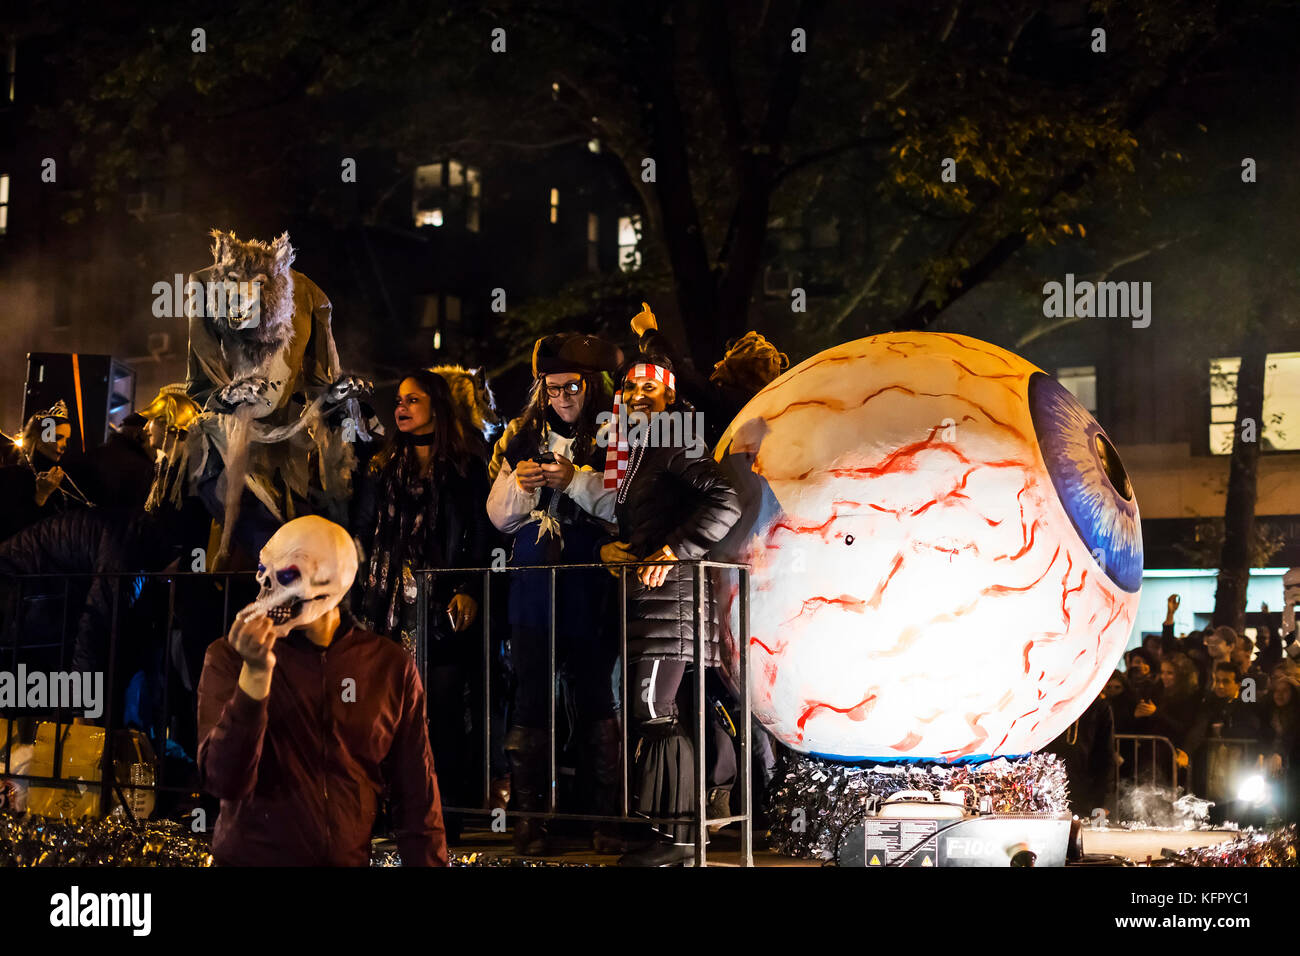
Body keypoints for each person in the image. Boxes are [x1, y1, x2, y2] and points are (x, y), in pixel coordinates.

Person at [197, 515, 447, 865]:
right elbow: (223, 780)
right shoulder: (229, 656)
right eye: (263, 570)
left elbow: (417, 795)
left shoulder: (387, 667)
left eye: (287, 576)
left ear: (329, 583)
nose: (265, 588)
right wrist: (255, 678)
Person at [599, 356, 742, 866]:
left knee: (654, 710)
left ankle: (678, 839)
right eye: (630, 386)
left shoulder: (674, 440)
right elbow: (649, 522)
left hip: (674, 600)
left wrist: (673, 551)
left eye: (650, 387)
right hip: (653, 604)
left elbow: (726, 501)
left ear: (670, 399)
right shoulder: (642, 448)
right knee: (657, 711)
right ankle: (665, 830)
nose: (638, 393)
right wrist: (614, 549)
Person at [486, 333, 625, 855]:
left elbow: (621, 511)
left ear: (590, 386)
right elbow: (498, 518)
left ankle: (602, 820)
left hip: (589, 583)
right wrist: (520, 486)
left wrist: (575, 481)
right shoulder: (520, 437)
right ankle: (530, 820)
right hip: (532, 586)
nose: (561, 397)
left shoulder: (616, 436)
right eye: (551, 389)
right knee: (531, 698)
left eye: (570, 387)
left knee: (595, 696)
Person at [351, 369, 494, 837]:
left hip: (438, 606)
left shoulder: (465, 466)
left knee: (442, 709)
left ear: (436, 404)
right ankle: (387, 808)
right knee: (384, 708)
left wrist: (469, 588)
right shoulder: (381, 466)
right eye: (399, 401)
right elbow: (363, 532)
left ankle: (440, 810)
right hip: (385, 604)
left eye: (413, 399)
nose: (402, 407)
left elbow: (480, 534)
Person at [629, 302, 787, 450]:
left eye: (727, 360)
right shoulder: (766, 409)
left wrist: (648, 333)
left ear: (741, 370)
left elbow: (681, 373)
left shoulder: (731, 403)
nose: (718, 365)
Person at [0, 401, 90, 541]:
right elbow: (13, 529)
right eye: (58, 437)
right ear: (40, 437)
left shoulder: (67, 476)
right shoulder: (13, 476)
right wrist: (41, 496)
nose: (64, 445)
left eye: (67, 439)